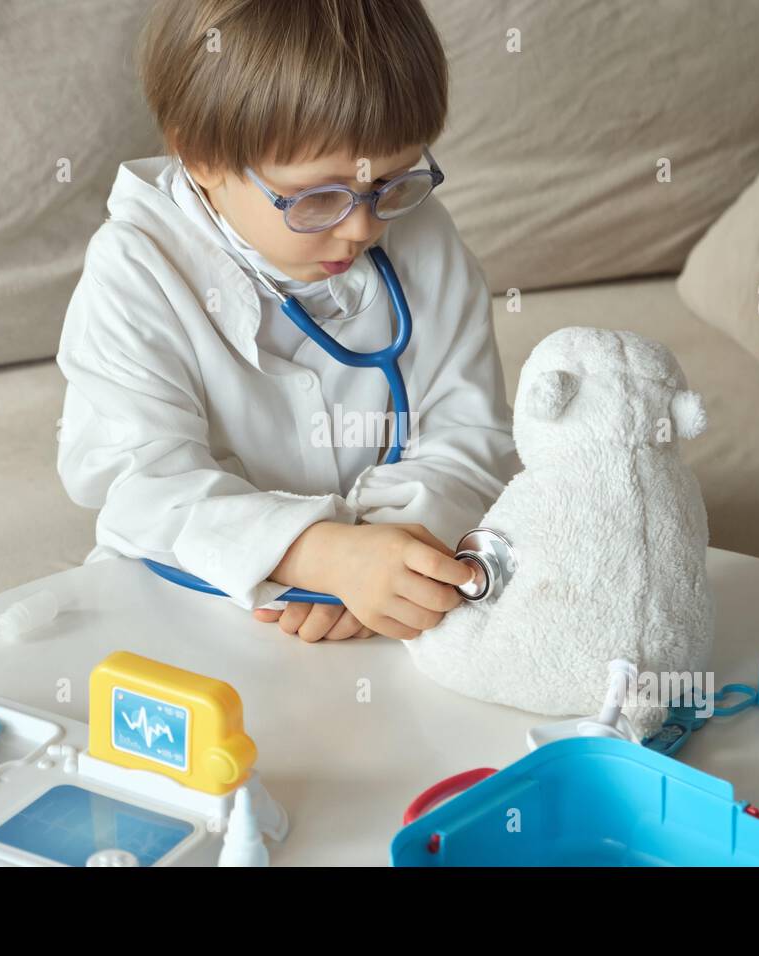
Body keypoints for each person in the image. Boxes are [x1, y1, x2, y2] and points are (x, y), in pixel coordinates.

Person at [56, 0, 520, 642]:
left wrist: (385, 559)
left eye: (390, 181)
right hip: (185, 604)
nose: (362, 227)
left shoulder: (421, 237)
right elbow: (143, 485)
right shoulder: (137, 269)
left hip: (382, 612)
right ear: (202, 159)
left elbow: (470, 435)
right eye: (319, 196)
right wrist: (318, 554)